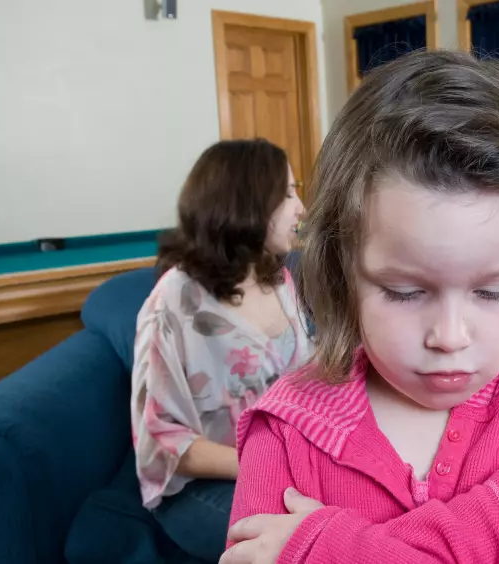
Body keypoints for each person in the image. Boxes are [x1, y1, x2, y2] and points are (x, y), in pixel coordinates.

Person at [220, 51, 499, 564]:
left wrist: (332, 550)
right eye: (404, 292)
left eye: (492, 292)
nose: (450, 337)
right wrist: (497, 539)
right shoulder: (287, 430)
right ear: (342, 257)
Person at [130, 138, 313, 563]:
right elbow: (160, 442)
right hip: (205, 487)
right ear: (247, 206)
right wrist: (267, 467)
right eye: (287, 194)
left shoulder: (279, 280)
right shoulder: (173, 303)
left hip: (288, 469)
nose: (301, 208)